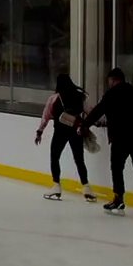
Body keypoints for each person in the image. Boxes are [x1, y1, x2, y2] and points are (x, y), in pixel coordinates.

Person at [77, 66, 133, 214]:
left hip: (121, 137)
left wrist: (85, 125)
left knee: (117, 168)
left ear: (112, 80)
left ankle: (118, 199)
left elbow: (98, 110)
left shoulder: (111, 94)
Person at [34, 74, 98, 203]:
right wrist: (88, 124)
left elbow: (46, 116)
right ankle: (86, 188)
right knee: (79, 160)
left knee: (55, 157)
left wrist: (40, 131)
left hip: (60, 132)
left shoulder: (54, 99)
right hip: (76, 131)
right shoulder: (80, 96)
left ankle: (56, 186)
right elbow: (91, 111)